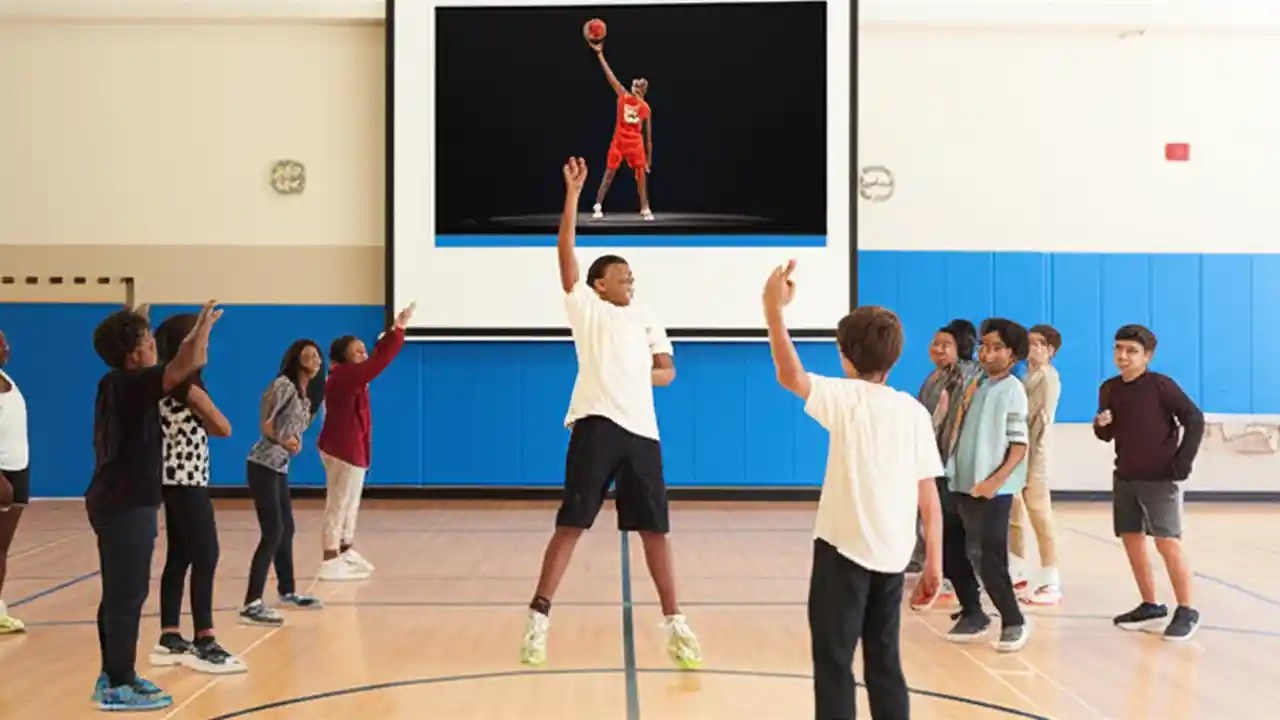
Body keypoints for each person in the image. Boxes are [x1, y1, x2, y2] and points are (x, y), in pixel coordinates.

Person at [520, 157, 700, 670]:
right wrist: (573, 193)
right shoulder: (588, 307)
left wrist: (636, 372)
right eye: (622, 276)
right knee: (573, 523)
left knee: (655, 533)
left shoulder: (645, 316)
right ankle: (538, 619)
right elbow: (565, 254)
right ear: (600, 284)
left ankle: (675, 625)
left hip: (642, 433)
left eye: (633, 278)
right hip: (597, 423)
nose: (630, 283)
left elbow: (666, 371)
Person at [762, 260, 943, 720]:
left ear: (844, 356)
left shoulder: (844, 398)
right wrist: (935, 562)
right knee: (885, 663)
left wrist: (773, 309)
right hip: (894, 554)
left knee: (834, 662)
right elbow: (929, 498)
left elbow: (790, 375)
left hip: (842, 553)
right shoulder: (914, 412)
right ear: (896, 357)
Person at [86, 300, 221, 711]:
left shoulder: (117, 383)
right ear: (135, 355)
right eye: (148, 343)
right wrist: (202, 330)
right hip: (125, 503)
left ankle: (114, 674)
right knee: (127, 595)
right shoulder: (133, 384)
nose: (153, 348)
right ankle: (118, 683)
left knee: (119, 594)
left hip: (116, 500)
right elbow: (187, 362)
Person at [1094, 324, 1203, 641]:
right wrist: (1101, 425)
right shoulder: (1110, 388)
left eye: (1131, 351)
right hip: (1125, 475)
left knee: (1167, 542)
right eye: (1118, 349)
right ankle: (1151, 604)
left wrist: (1182, 463)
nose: (1123, 356)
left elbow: (1194, 418)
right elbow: (1106, 433)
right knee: (1131, 538)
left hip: (1159, 478)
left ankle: (1187, 608)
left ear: (1147, 356)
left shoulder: (1161, 386)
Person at [146, 314, 242, 674]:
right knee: (206, 554)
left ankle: (170, 634)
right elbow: (224, 427)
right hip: (185, 480)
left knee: (181, 555)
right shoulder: (186, 387)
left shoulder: (163, 382)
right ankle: (205, 638)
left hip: (175, 479)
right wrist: (203, 402)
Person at [942, 318, 1031, 652]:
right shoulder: (976, 383)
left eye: (996, 348)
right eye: (984, 345)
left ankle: (1014, 621)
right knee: (953, 550)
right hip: (960, 481)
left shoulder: (1013, 390)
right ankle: (973, 611)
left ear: (1013, 354)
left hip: (990, 488)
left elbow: (1019, 447)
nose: (987, 352)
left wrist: (995, 482)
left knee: (989, 558)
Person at [316, 304, 414, 581]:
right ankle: (329, 557)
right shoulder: (344, 375)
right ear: (343, 359)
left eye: (364, 349)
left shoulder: (351, 375)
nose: (364, 354)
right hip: (341, 447)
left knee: (351, 502)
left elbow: (375, 360)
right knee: (338, 502)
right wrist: (398, 331)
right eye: (357, 352)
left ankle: (345, 549)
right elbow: (379, 363)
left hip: (352, 445)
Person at [241, 339, 327, 625]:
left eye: (317, 356)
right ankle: (251, 603)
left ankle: (287, 590)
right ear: (296, 359)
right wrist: (283, 440)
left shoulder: (307, 397)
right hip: (262, 464)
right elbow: (265, 424)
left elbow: (299, 428)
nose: (315, 359)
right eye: (309, 355)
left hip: (279, 467)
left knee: (286, 527)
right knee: (273, 530)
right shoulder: (283, 386)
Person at [908, 319, 980, 576]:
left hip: (954, 459)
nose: (937, 349)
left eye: (945, 345)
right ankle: (922, 557)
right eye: (935, 343)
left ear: (961, 347)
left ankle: (960, 571)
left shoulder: (966, 376)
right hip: (933, 456)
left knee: (954, 518)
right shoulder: (934, 377)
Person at [1010, 324, 1063, 605]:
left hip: (1035, 454)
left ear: (1051, 350)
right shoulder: (1023, 374)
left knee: (1039, 514)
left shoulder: (1047, 378)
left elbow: (1038, 420)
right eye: (1030, 342)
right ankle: (1017, 570)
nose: (1034, 348)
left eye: (1041, 344)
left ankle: (1050, 578)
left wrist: (1028, 458)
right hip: (1016, 453)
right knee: (1014, 513)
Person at [585, 37, 653, 221]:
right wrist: (600, 54)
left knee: (640, 176)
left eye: (638, 85)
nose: (635, 87)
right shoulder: (623, 96)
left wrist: (648, 158)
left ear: (642, 90)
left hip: (635, 143)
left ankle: (645, 207)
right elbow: (610, 76)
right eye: (635, 84)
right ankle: (598, 203)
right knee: (609, 173)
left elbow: (648, 137)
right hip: (620, 140)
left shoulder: (645, 108)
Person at [0, 329, 30, 634]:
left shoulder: (4, 378)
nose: (7, 347)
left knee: (1, 549)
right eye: (0, 343)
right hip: (2, 475)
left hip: (17, 471)